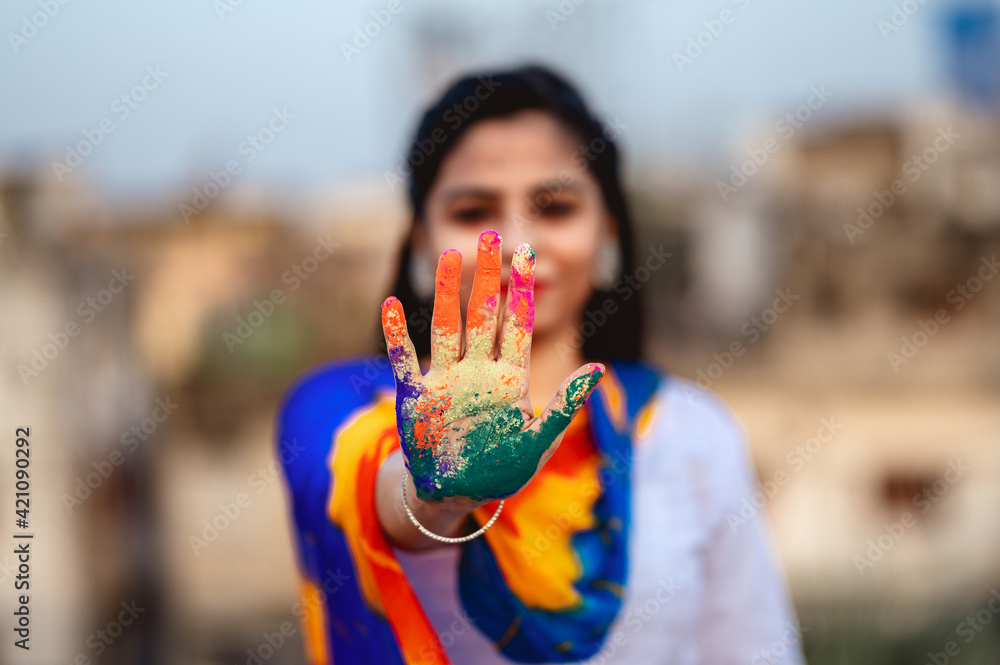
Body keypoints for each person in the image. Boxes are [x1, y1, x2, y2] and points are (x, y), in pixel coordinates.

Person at [277, 64, 804, 664]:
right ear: (420, 242)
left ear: (607, 235)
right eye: (474, 212)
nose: (517, 244)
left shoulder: (689, 432)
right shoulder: (335, 414)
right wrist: (440, 493)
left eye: (555, 208)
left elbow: (754, 650)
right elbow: (370, 490)